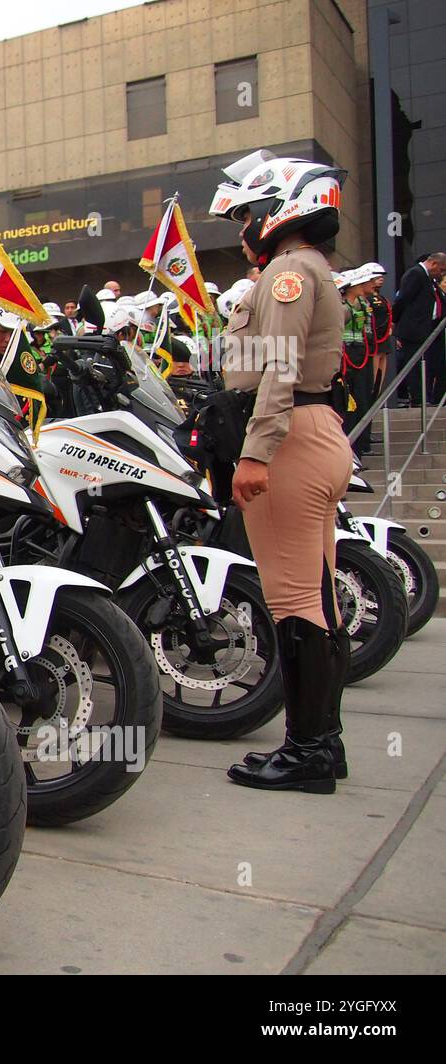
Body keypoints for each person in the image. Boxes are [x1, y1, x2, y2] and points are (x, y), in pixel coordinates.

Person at [210, 148, 352, 794]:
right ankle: (325, 742)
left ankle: (308, 750)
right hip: (315, 432)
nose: (242, 229)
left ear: (278, 210)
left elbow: (278, 371)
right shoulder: (312, 268)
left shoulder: (288, 273)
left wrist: (255, 452)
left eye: (248, 213)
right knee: (319, 598)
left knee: (295, 601)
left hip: (290, 439)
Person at [391, 251, 446, 406]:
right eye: (441, 270)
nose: (441, 274)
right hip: (413, 329)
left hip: (426, 329)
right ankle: (418, 400)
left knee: (426, 365)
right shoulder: (415, 274)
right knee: (414, 366)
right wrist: (394, 320)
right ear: (434, 264)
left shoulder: (429, 278)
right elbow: (402, 299)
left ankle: (424, 397)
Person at [339, 266, 376, 455]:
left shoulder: (364, 304)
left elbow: (367, 329)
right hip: (344, 355)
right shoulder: (340, 305)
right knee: (346, 400)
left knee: (362, 397)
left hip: (361, 352)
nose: (365, 285)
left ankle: (361, 444)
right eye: (361, 283)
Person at [361, 262, 392, 405]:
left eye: (382, 277)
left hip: (383, 337)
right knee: (372, 372)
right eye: (377, 276)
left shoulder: (381, 298)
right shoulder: (364, 299)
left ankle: (376, 397)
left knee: (381, 370)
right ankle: (370, 397)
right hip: (373, 339)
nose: (380, 279)